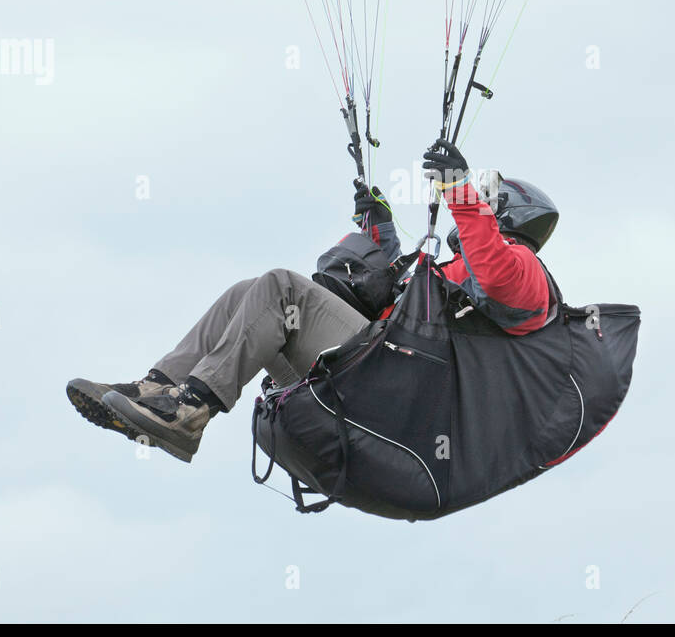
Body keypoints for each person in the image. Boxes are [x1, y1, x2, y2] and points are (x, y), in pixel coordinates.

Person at [66, 139, 560, 462]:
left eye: (486, 203)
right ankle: (158, 389)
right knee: (250, 291)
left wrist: (459, 191)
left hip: (397, 389)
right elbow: (387, 302)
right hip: (375, 372)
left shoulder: (524, 271)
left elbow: (495, 268)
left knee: (282, 288)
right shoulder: (452, 270)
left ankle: (190, 413)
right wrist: (380, 227)